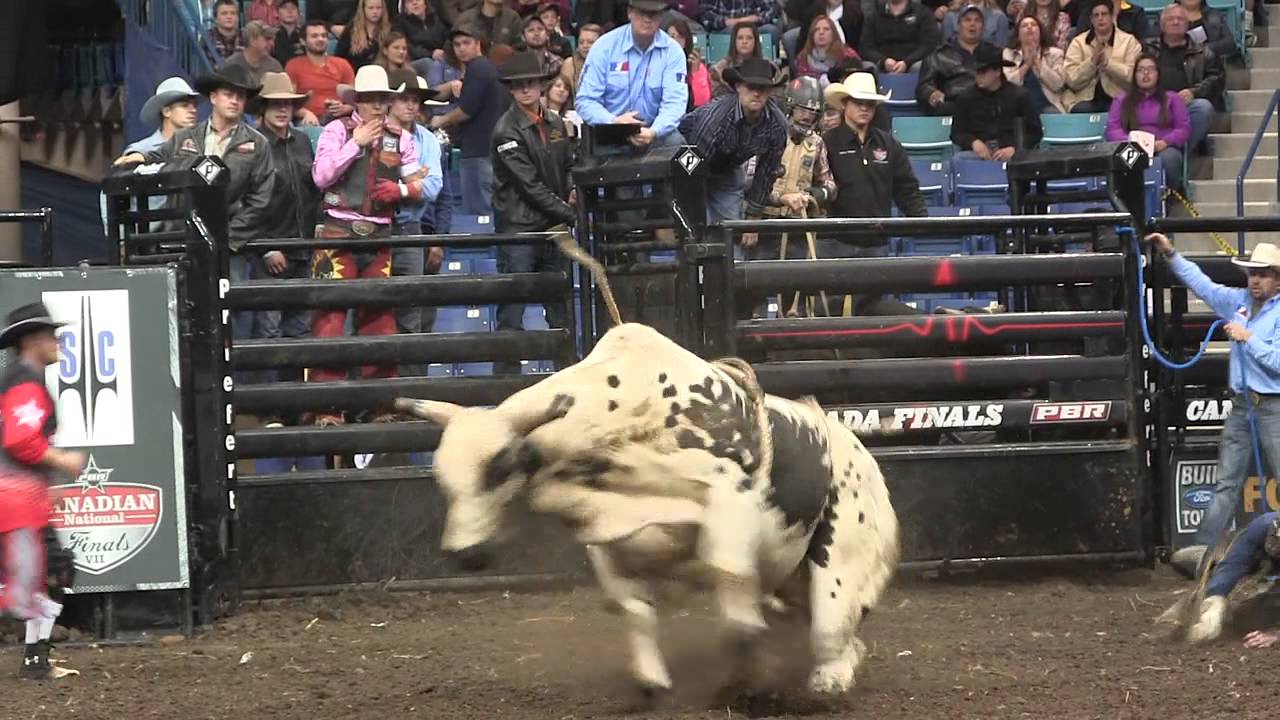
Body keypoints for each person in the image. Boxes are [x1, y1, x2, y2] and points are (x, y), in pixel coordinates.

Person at [1145, 233, 1280, 578]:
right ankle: (1203, 558)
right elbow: (1202, 285)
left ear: (1277, 279)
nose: (1255, 280)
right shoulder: (1236, 302)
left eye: (1263, 274)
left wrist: (1248, 339)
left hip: (1273, 407)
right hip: (1242, 407)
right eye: (1252, 274)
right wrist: (1171, 254)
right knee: (1225, 483)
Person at [309, 64, 428, 424]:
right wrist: (355, 144)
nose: (378, 106)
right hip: (336, 234)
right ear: (358, 100)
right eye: (372, 100)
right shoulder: (334, 131)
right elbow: (321, 176)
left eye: (383, 100)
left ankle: (379, 407)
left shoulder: (401, 139)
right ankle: (325, 407)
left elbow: (419, 184)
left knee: (380, 321)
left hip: (378, 237)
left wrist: (403, 190)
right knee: (329, 321)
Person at [112, 65, 277, 315]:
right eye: (228, 94)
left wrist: (227, 238)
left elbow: (261, 200)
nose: (234, 100)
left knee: (226, 314)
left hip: (229, 245)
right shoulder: (186, 137)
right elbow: (161, 154)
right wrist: (140, 156)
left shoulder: (257, 144)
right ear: (213, 97)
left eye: (240, 96)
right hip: (182, 240)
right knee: (180, 308)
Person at [0, 302, 86, 680]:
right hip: (14, 498)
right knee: (42, 575)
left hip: (20, 495)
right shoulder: (26, 383)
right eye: (51, 335)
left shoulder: (18, 380)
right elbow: (20, 441)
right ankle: (36, 661)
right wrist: (61, 461)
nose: (57, 342)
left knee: (44, 573)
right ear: (32, 340)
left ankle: (37, 660)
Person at [490, 51, 576, 373]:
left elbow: (568, 164)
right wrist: (568, 213)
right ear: (511, 90)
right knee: (514, 307)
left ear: (540, 85)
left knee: (558, 307)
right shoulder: (505, 131)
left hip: (548, 225)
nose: (525, 90)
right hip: (521, 230)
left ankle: (565, 374)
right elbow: (529, 186)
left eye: (530, 84)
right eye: (518, 85)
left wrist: (569, 190)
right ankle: (506, 379)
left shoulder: (555, 123)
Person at [822, 72, 928, 315]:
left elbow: (907, 189)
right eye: (859, 102)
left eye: (869, 104)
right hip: (835, 242)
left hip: (874, 242)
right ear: (845, 104)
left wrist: (922, 219)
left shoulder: (889, 145)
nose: (864, 108)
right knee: (832, 308)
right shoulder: (826, 144)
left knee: (872, 309)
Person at [677, 56, 788, 232]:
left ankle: (727, 256)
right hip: (686, 160)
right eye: (751, 87)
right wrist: (684, 198)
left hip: (727, 168)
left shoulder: (778, 125)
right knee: (692, 229)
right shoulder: (717, 117)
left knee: (729, 234)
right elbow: (690, 160)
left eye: (763, 88)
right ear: (738, 87)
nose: (757, 93)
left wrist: (754, 215)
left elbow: (768, 170)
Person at [575, 0, 690, 150]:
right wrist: (614, 122)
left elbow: (675, 103)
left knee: (685, 154)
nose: (647, 19)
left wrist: (654, 131)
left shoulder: (673, 52)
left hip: (656, 134)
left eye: (653, 14)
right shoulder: (604, 47)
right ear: (630, 12)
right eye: (642, 12)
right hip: (610, 133)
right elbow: (585, 100)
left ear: (661, 16)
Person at [386, 69, 445, 346]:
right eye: (403, 99)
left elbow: (433, 188)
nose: (411, 105)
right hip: (377, 227)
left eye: (415, 100)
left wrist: (397, 188)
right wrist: (412, 182)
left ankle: (411, 382)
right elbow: (371, 186)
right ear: (390, 101)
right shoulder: (376, 133)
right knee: (371, 308)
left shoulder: (428, 139)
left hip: (411, 227)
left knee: (411, 310)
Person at [428, 25, 507, 214]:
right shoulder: (484, 68)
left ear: (478, 44)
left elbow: (466, 110)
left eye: (466, 43)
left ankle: (485, 245)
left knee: (479, 212)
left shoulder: (478, 67)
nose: (461, 48)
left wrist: (440, 121)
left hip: (479, 149)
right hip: (487, 147)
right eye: (457, 44)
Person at [1142, 2, 1224, 153]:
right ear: (1162, 24)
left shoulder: (1203, 52)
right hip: (1151, 103)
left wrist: (1194, 92)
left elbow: (1217, 79)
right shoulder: (1146, 48)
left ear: (1188, 25)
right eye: (1171, 19)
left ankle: (1178, 151)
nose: (1175, 22)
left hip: (1184, 106)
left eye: (1180, 19)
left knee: (1203, 107)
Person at [1104, 53, 1190, 190]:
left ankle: (1168, 197)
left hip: (1163, 147)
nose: (1145, 73)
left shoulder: (1173, 99)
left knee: (1170, 159)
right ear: (1134, 75)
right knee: (1124, 160)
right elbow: (1112, 129)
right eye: (1140, 69)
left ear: (1158, 74)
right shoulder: (1121, 100)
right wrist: (1131, 142)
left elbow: (1183, 129)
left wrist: (1165, 142)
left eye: (1150, 69)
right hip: (1132, 147)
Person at [951, 44, 1043, 160]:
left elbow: (1035, 132)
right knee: (960, 159)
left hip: (1013, 153)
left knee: (1028, 158)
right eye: (977, 71)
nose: (978, 76)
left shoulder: (1020, 96)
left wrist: (1015, 148)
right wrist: (973, 142)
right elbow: (957, 132)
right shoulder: (965, 98)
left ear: (997, 72)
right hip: (978, 154)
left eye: (983, 72)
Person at [916, 3, 1005, 115]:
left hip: (988, 103)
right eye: (967, 20)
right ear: (958, 26)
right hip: (955, 104)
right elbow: (924, 86)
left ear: (983, 27)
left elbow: (1004, 82)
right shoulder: (940, 54)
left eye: (977, 20)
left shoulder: (994, 53)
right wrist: (932, 94)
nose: (972, 24)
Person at [1062, 0, 1141, 113]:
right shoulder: (1078, 43)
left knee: (1123, 109)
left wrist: (1107, 64)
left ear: (1111, 16)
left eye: (1104, 14)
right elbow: (1071, 80)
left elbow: (1134, 78)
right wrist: (1092, 63)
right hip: (1084, 99)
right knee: (1081, 109)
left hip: (1119, 98)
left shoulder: (1129, 42)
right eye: (1096, 15)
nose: (1100, 18)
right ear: (1091, 19)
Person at [286, 19, 357, 126]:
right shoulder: (293, 65)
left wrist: (344, 108)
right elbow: (287, 102)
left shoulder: (342, 64)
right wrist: (305, 113)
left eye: (323, 36)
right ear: (303, 41)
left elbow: (355, 100)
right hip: (308, 120)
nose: (320, 39)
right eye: (314, 36)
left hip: (339, 119)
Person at [1004, 14, 1069, 113]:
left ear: (1040, 33)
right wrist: (1026, 65)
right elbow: (1006, 85)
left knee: (1052, 113)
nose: (1029, 27)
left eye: (1033, 25)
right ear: (1018, 35)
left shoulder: (1055, 53)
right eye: (1024, 25)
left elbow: (1058, 85)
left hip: (1046, 104)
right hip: (1016, 105)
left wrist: (1037, 62)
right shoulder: (1008, 54)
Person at [858, 0, 940, 75]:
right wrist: (883, 61)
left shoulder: (923, 13)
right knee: (867, 67)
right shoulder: (873, 15)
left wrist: (907, 62)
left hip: (913, 64)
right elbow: (866, 47)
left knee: (921, 66)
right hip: (882, 65)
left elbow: (929, 44)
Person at [224, 21, 284, 89]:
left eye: (272, 39)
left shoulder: (275, 67)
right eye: (267, 39)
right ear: (252, 40)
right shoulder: (232, 65)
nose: (272, 43)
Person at [337, 0, 394, 69]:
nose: (375, 12)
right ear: (363, 9)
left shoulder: (390, 30)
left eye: (378, 8)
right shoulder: (351, 31)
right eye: (371, 8)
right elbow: (339, 57)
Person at [558, 23, 601, 97]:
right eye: (581, 42)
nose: (585, 46)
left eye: (590, 42)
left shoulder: (609, 63)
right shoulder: (570, 63)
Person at [272, 0, 307, 65]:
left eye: (293, 8)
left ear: (298, 13)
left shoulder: (305, 35)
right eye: (285, 7)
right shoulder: (271, 35)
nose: (290, 11)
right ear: (276, 13)